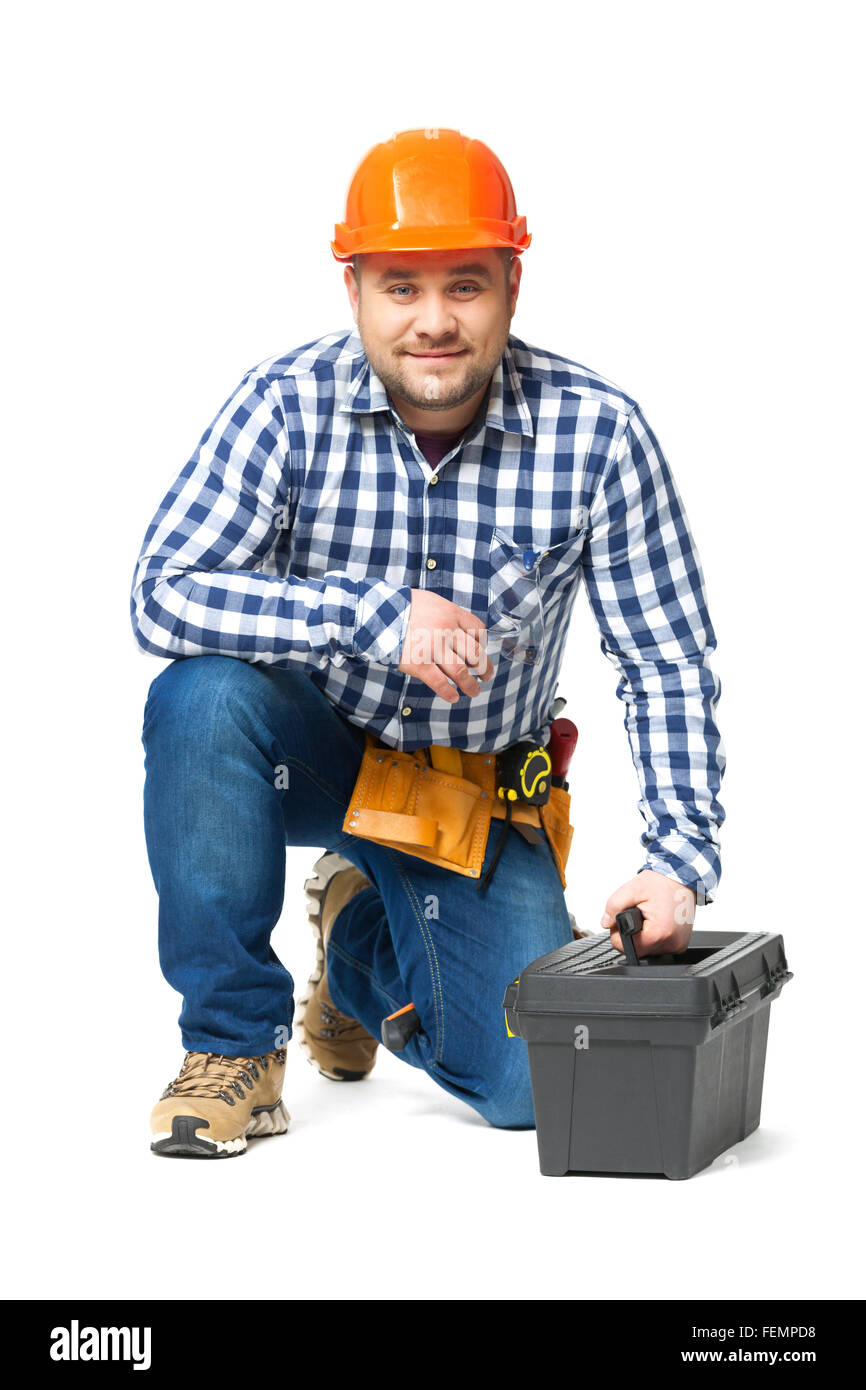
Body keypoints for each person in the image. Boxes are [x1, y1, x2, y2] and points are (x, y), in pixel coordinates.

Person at [132, 128, 725, 1159]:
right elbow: (161, 594)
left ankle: (355, 941)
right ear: (354, 288)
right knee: (200, 698)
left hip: (469, 795)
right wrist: (371, 615)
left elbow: (663, 657)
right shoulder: (283, 405)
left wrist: (677, 860)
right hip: (308, 756)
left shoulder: (597, 433)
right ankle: (232, 1046)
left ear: (511, 283)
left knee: (526, 1083)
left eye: (465, 284)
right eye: (400, 287)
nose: (435, 321)